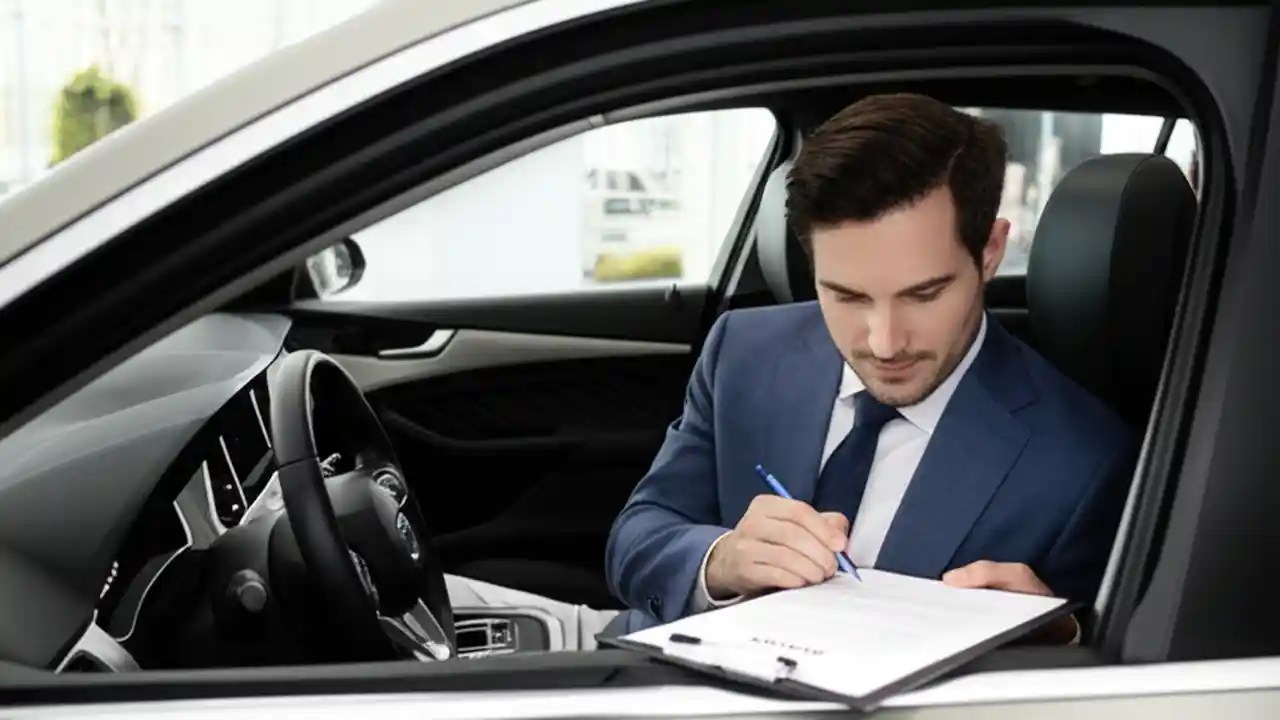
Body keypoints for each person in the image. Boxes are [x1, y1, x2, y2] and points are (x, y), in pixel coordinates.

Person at [601, 93, 1137, 643]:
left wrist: (1057, 636)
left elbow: (1107, 662)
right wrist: (721, 562)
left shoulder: (1084, 463)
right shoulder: (743, 351)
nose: (885, 343)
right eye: (847, 296)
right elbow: (637, 538)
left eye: (925, 294)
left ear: (991, 252)